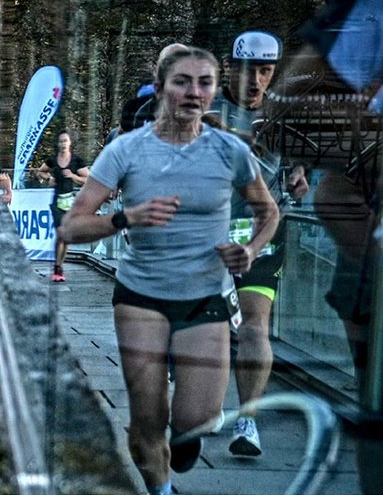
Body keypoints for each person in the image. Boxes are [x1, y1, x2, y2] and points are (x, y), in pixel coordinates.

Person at [59, 46, 279, 495]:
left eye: (204, 83)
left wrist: (251, 250)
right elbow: (72, 226)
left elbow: (269, 212)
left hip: (205, 297)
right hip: (141, 297)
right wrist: (127, 218)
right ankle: (160, 490)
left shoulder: (230, 150)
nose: (194, 92)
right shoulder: (126, 151)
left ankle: (184, 437)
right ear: (160, 89)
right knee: (148, 417)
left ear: (214, 92)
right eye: (182, 81)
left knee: (198, 420)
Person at [213, 30, 309, 457]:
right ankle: (204, 398)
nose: (255, 81)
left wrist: (299, 173)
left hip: (261, 234)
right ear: (230, 67)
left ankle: (247, 420)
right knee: (210, 327)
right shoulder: (204, 106)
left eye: (265, 71)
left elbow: (299, 157)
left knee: (254, 325)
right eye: (248, 70)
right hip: (206, 235)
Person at [33, 132, 88, 282]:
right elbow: (40, 172)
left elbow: (87, 179)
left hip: (70, 201)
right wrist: (49, 178)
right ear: (58, 144)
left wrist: (73, 176)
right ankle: (57, 268)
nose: (63, 144)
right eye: (61, 141)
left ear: (70, 143)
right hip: (56, 201)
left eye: (65, 141)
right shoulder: (53, 159)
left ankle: (60, 265)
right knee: (60, 233)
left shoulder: (76, 160)